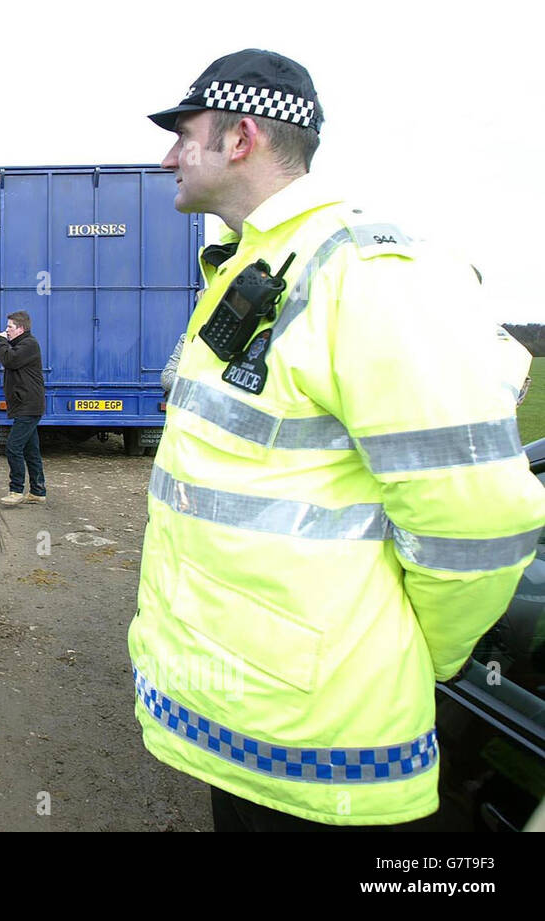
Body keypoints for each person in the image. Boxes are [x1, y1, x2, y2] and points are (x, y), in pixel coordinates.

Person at [131, 48, 545, 829]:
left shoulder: (367, 271)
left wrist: (423, 651)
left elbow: (480, 518)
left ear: (241, 137)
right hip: (255, 737)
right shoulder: (249, 266)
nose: (167, 156)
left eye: (183, 135)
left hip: (330, 761)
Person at [0, 311, 45, 506]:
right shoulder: (21, 344)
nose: (6, 330)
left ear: (21, 329)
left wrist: (0, 341)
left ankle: (16, 490)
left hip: (29, 406)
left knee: (13, 447)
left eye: (10, 327)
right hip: (26, 406)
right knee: (31, 451)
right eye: (7, 327)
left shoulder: (29, 344)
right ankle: (38, 491)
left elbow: (10, 360)